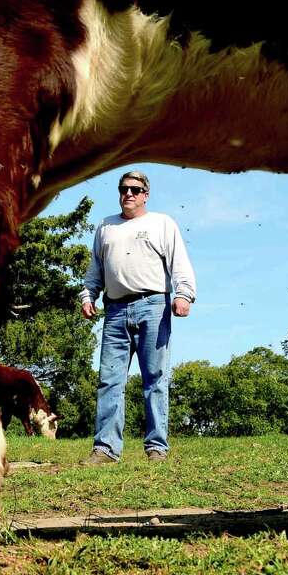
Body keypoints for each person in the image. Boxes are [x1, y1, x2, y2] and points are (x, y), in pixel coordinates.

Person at [79, 170, 196, 463]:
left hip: (153, 306)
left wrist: (183, 294)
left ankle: (156, 447)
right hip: (115, 309)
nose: (128, 194)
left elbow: (180, 263)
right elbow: (95, 269)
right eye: (123, 189)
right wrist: (88, 295)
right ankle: (105, 449)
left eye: (135, 189)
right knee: (109, 380)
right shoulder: (106, 226)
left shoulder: (162, 223)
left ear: (146, 194)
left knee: (154, 377)